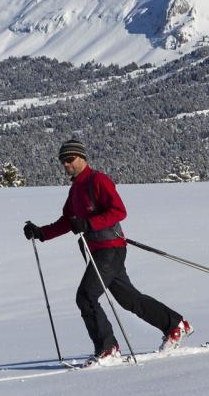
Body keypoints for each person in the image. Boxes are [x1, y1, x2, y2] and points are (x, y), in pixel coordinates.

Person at [23, 138, 192, 366]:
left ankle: (108, 348)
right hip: (97, 251)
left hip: (110, 250)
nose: (65, 164)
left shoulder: (98, 180)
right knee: (129, 299)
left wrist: (89, 224)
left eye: (69, 159)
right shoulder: (76, 189)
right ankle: (175, 325)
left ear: (82, 158)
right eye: (62, 161)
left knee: (86, 296)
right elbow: (68, 221)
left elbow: (118, 211)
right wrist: (41, 233)